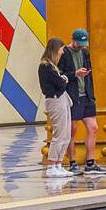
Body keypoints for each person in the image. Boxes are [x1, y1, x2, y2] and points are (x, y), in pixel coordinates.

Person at [59, 28, 106, 176]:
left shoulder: (85, 52)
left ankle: (90, 162)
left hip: (86, 95)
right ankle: (72, 162)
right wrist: (75, 74)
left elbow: (89, 74)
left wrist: (91, 95)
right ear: (73, 40)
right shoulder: (64, 54)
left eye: (83, 43)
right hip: (72, 96)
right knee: (72, 130)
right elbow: (59, 75)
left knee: (93, 128)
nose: (81, 46)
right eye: (79, 43)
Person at [39, 37, 73, 178]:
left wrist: (63, 79)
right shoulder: (45, 66)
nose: (62, 52)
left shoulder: (53, 66)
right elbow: (60, 84)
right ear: (55, 49)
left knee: (66, 134)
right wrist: (64, 79)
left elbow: (61, 81)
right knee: (59, 134)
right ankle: (51, 166)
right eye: (61, 49)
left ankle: (59, 164)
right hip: (55, 100)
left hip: (62, 99)